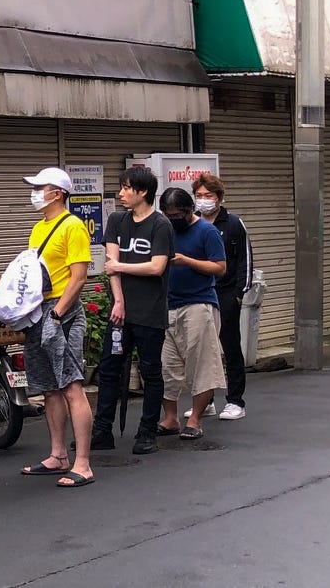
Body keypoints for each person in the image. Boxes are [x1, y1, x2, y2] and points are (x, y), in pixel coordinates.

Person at [15, 168, 96, 489]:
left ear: (58, 193)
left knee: (71, 386)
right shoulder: (38, 228)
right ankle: (58, 455)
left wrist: (58, 313)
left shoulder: (73, 226)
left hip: (63, 311)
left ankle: (83, 464)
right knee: (49, 387)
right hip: (39, 310)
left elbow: (79, 276)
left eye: (40, 187)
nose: (34, 192)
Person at [91, 165, 173, 455]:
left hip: (150, 312)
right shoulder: (116, 220)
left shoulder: (160, 225)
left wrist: (121, 267)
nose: (122, 193)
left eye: (127, 188)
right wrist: (119, 301)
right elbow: (109, 264)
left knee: (151, 372)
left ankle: (147, 431)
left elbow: (157, 266)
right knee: (110, 368)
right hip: (120, 311)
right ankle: (102, 431)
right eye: (122, 187)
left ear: (143, 192)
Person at [156, 187, 226, 440]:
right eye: (168, 214)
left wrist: (187, 261)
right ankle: (170, 418)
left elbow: (220, 267)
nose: (173, 219)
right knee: (166, 365)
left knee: (201, 363)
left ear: (189, 210)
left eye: (177, 215)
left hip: (199, 302)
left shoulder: (206, 231)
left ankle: (195, 419)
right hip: (167, 305)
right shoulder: (163, 229)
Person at [193, 172, 251, 420]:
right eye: (199, 195)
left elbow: (244, 260)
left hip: (226, 293)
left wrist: (240, 293)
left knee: (230, 346)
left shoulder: (234, 223)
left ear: (219, 198)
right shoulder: (192, 223)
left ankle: (236, 401)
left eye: (208, 195)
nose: (203, 200)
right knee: (202, 349)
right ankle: (206, 402)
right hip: (200, 293)